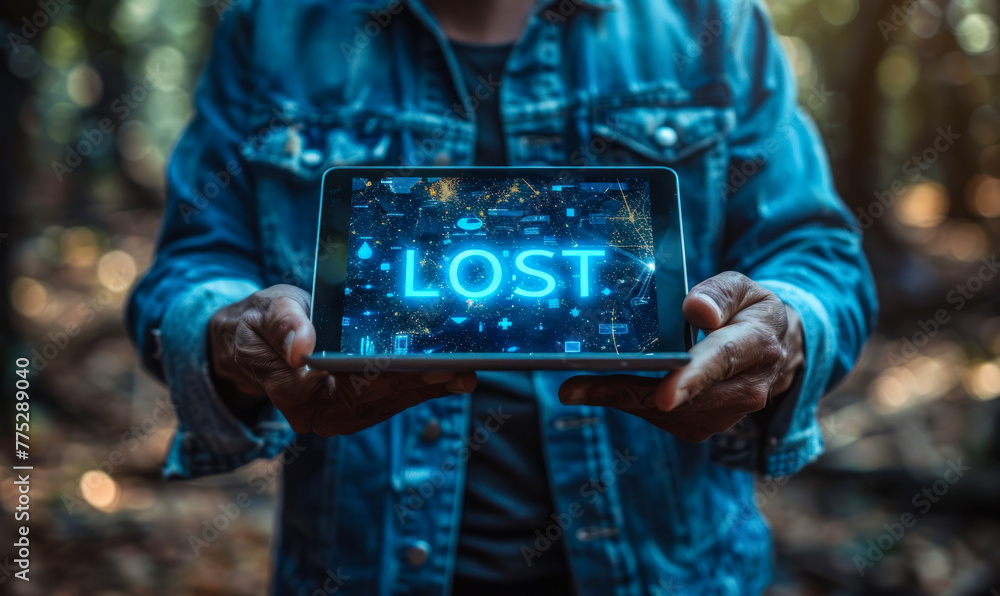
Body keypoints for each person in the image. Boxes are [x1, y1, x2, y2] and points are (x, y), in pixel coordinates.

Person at [126, 0, 878, 593]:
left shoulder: (712, 19)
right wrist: (231, 334)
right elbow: (196, 260)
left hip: (678, 572)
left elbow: (815, 255)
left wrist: (783, 329)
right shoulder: (272, 24)